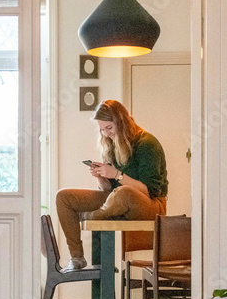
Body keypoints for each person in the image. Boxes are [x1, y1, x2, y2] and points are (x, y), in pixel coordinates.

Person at [55, 99, 168, 271]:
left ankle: (92, 216)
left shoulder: (147, 144)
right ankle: (77, 257)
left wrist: (116, 174)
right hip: (118, 200)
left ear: (122, 122)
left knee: (124, 193)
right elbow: (109, 191)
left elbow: (150, 191)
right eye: (102, 130)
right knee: (64, 197)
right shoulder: (112, 144)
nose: (106, 134)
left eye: (109, 128)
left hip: (151, 205)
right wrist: (102, 177)